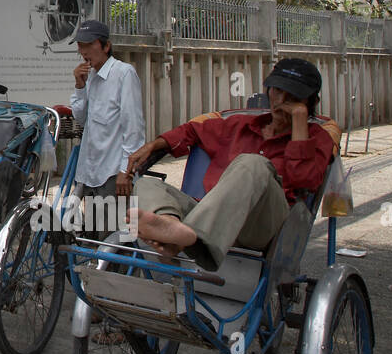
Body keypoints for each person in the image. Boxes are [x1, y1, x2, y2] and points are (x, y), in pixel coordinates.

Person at [126, 58, 336, 271]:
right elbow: (191, 131)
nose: (281, 101)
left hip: (263, 226)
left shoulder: (318, 139)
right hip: (212, 215)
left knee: (253, 163)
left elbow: (303, 181)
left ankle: (184, 239)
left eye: (293, 98)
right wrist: (153, 145)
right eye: (277, 91)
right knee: (147, 185)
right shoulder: (237, 126)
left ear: (309, 102)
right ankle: (170, 226)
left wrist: (300, 122)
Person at [69, 20, 145, 231]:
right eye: (80, 46)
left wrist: (125, 170)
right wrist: (79, 86)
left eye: (88, 45)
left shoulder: (123, 73)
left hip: (113, 172)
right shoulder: (90, 76)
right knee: (94, 236)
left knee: (116, 240)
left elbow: (134, 128)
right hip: (91, 170)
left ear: (106, 46)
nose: (83, 51)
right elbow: (81, 119)